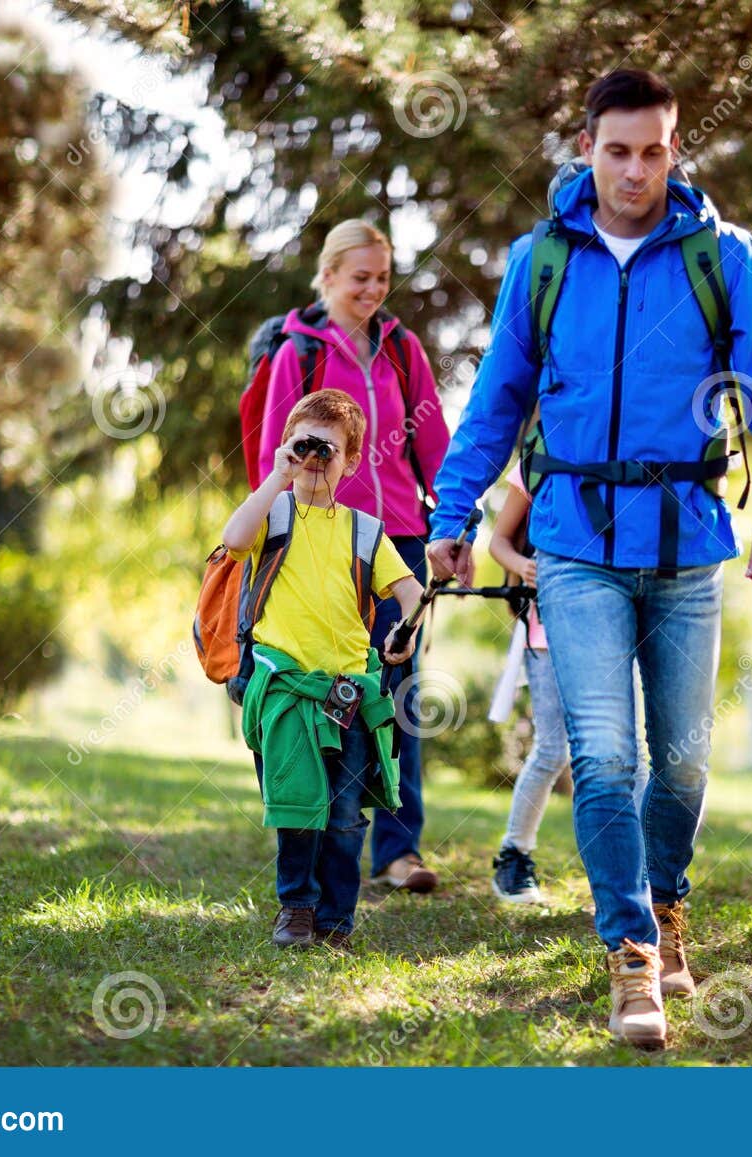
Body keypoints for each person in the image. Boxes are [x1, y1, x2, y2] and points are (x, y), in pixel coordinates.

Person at [426, 70, 752, 1049]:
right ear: (586, 148)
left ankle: (669, 896)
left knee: (681, 762)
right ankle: (631, 955)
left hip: (687, 542)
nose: (635, 169)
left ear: (673, 149)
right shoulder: (543, 259)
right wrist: (453, 506)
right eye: (617, 150)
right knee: (603, 756)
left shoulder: (724, 258)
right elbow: (498, 396)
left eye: (653, 150)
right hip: (573, 540)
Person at [257, 219, 451, 894]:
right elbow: (272, 457)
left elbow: (435, 443)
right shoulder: (298, 355)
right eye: (360, 277)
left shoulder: (402, 349)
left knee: (396, 691)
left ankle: (399, 850)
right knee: (322, 689)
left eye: (383, 278)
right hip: (321, 539)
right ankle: (316, 840)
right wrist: (277, 535)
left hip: (396, 535)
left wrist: (451, 525)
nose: (373, 290)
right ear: (329, 275)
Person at [224, 389, 423, 949]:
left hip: (348, 693)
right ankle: (296, 908)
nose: (313, 458)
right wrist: (276, 477)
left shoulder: (365, 530)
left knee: (343, 817)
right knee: (297, 805)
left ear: (352, 462)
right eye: (302, 445)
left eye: (327, 450)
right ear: (286, 447)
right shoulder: (273, 512)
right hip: (285, 688)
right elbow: (234, 540)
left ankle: (337, 919)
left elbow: (408, 589)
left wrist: (405, 624)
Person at [486, 466, 566, 905]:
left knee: (625, 752)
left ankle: (640, 869)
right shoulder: (535, 459)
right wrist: (524, 568)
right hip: (545, 631)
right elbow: (500, 541)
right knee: (553, 749)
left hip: (619, 629)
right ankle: (514, 854)